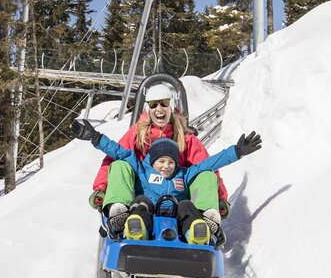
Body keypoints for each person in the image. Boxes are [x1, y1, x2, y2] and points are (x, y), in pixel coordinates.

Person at [72, 119, 262, 244]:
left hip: (177, 219)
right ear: (152, 161)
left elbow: (209, 163)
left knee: (187, 204)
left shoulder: (183, 174)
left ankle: (199, 231)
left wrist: (236, 152)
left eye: (171, 162)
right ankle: (132, 227)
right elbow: (118, 151)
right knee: (141, 203)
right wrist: (95, 137)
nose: (166, 166)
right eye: (161, 162)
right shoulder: (142, 170)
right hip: (149, 214)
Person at [88, 80, 231, 238]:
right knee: (120, 164)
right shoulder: (136, 134)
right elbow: (114, 157)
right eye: (153, 105)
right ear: (147, 108)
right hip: (142, 195)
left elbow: (209, 166)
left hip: (179, 199)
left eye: (164, 103)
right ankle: (120, 214)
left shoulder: (187, 139)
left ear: (171, 106)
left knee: (206, 174)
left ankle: (204, 222)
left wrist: (220, 199)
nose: (159, 109)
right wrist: (101, 188)